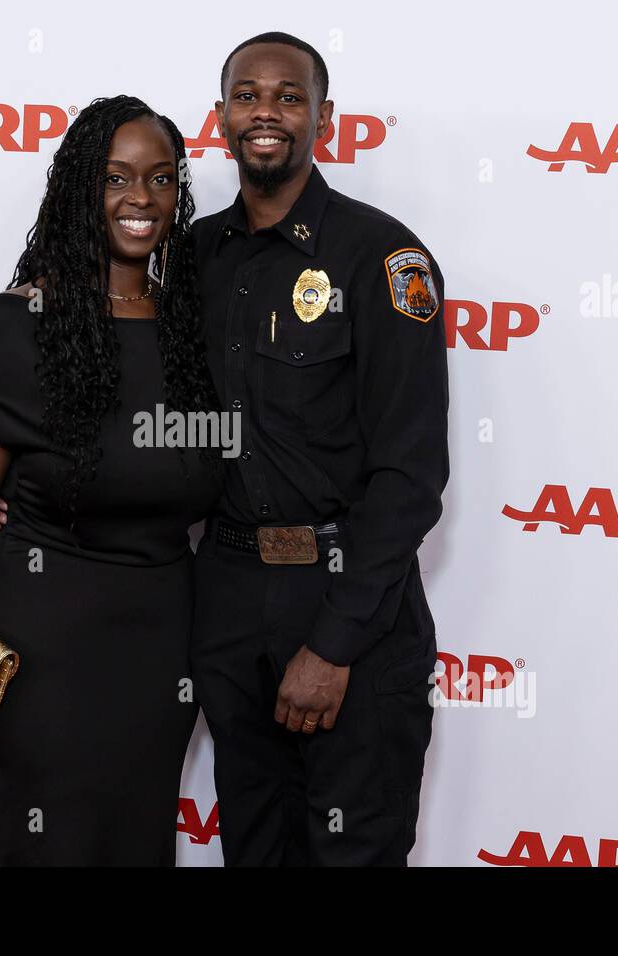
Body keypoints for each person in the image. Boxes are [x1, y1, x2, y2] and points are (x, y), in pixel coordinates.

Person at [0, 95, 223, 866]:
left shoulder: (194, 329)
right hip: (38, 653)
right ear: (80, 189)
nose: (140, 199)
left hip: (159, 658)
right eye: (116, 177)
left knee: (131, 843)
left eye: (159, 179)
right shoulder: (13, 331)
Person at [188, 32, 450, 866]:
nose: (266, 110)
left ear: (323, 119)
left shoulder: (383, 257)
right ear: (222, 117)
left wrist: (334, 644)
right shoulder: (190, 259)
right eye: (247, 94)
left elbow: (410, 475)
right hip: (227, 604)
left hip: (349, 610)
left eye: (289, 96)